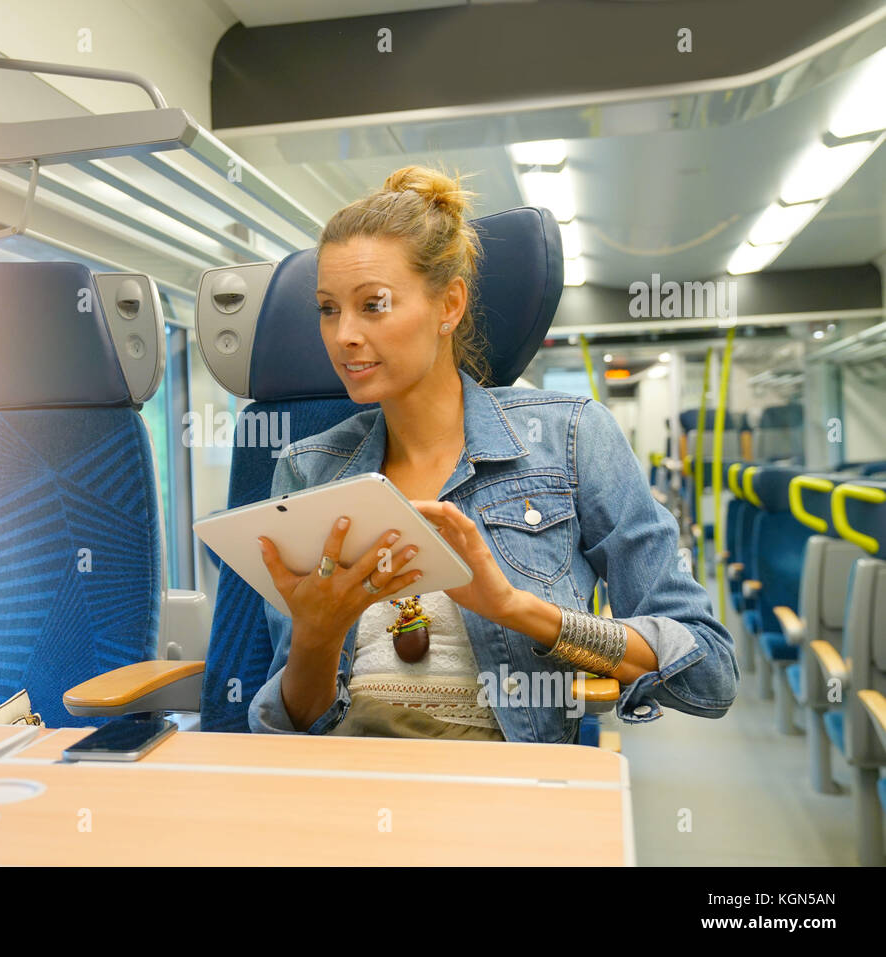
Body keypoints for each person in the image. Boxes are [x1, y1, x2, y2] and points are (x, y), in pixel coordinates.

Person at [249, 165, 738, 743]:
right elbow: (295, 725)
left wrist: (513, 608)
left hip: (500, 778)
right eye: (328, 308)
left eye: (373, 305)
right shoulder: (309, 467)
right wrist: (316, 637)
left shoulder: (570, 437)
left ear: (448, 305)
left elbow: (708, 669)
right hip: (349, 774)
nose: (343, 335)